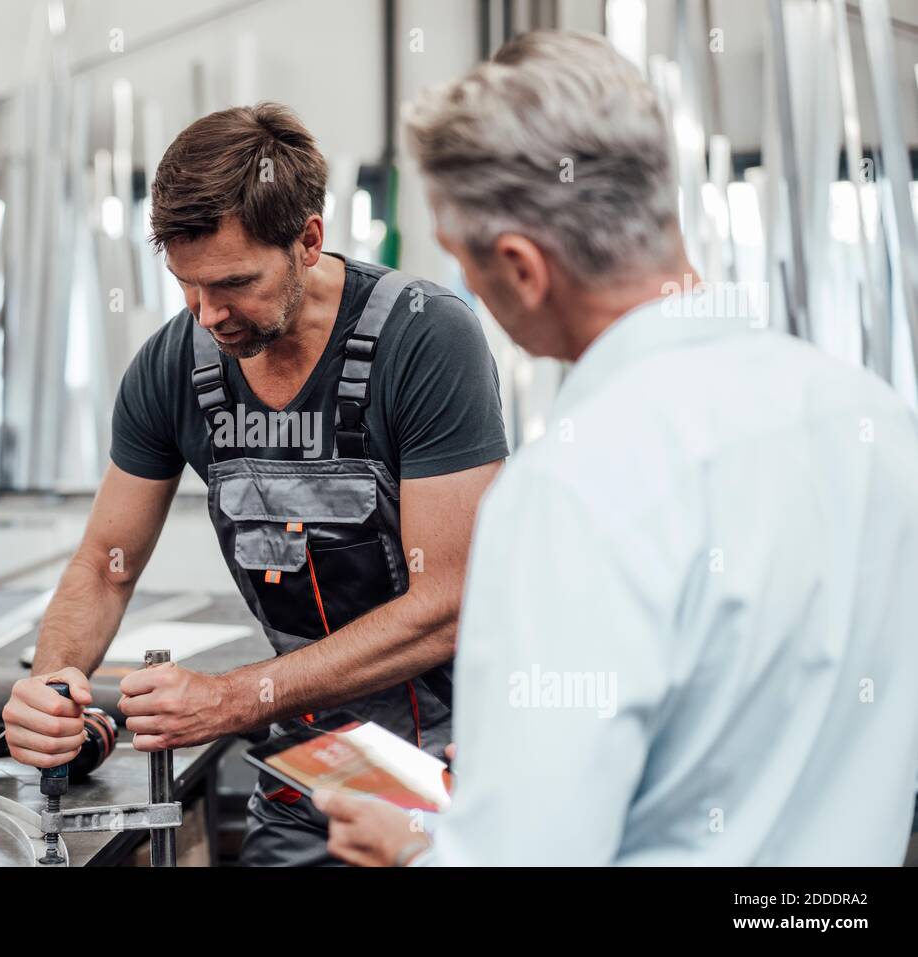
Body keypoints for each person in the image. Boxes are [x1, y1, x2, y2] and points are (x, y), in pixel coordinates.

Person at [314, 30, 918, 866]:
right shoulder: (875, 421)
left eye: (463, 263)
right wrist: (524, 764)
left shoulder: (573, 485)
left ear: (522, 269)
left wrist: (421, 847)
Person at [2, 102, 510, 865]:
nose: (209, 315)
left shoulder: (425, 337)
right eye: (187, 285)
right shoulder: (174, 364)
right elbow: (105, 564)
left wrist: (237, 697)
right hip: (311, 771)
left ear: (308, 239)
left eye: (234, 282)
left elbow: (445, 607)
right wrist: (52, 688)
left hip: (459, 774)